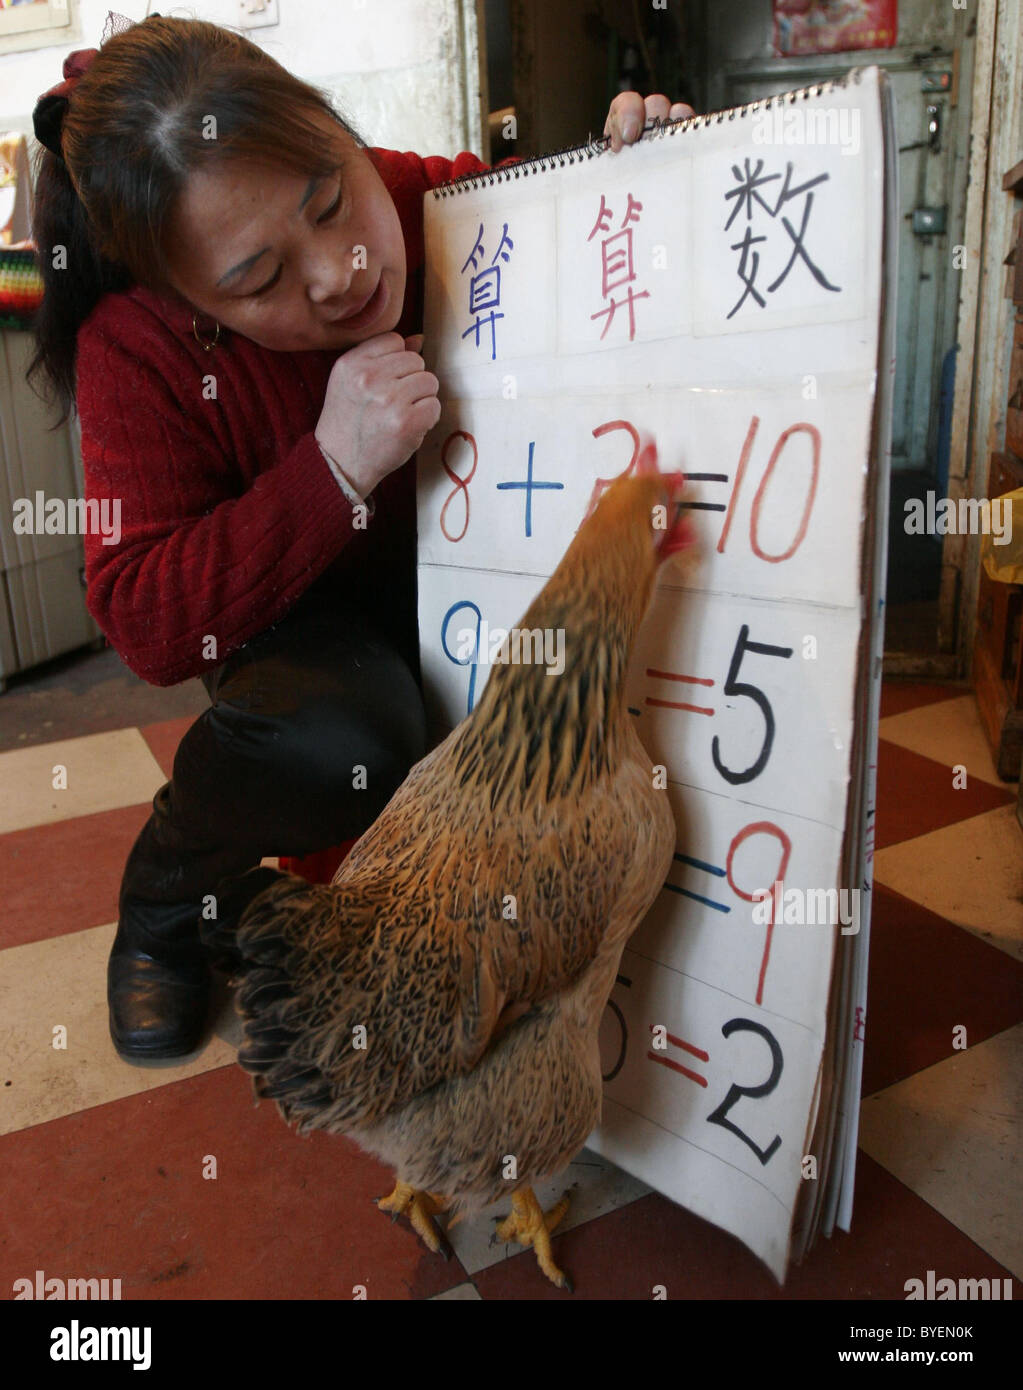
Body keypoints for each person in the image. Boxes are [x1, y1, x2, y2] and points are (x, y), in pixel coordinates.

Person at [28, 12, 693, 1063]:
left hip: (474, 585)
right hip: (304, 632)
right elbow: (150, 624)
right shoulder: (138, 349)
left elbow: (616, 267)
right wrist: (332, 467)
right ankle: (166, 897)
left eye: (332, 199)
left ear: (331, 128)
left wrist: (658, 176)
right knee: (341, 741)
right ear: (187, 299)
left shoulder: (445, 200)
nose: (339, 272)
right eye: (257, 281)